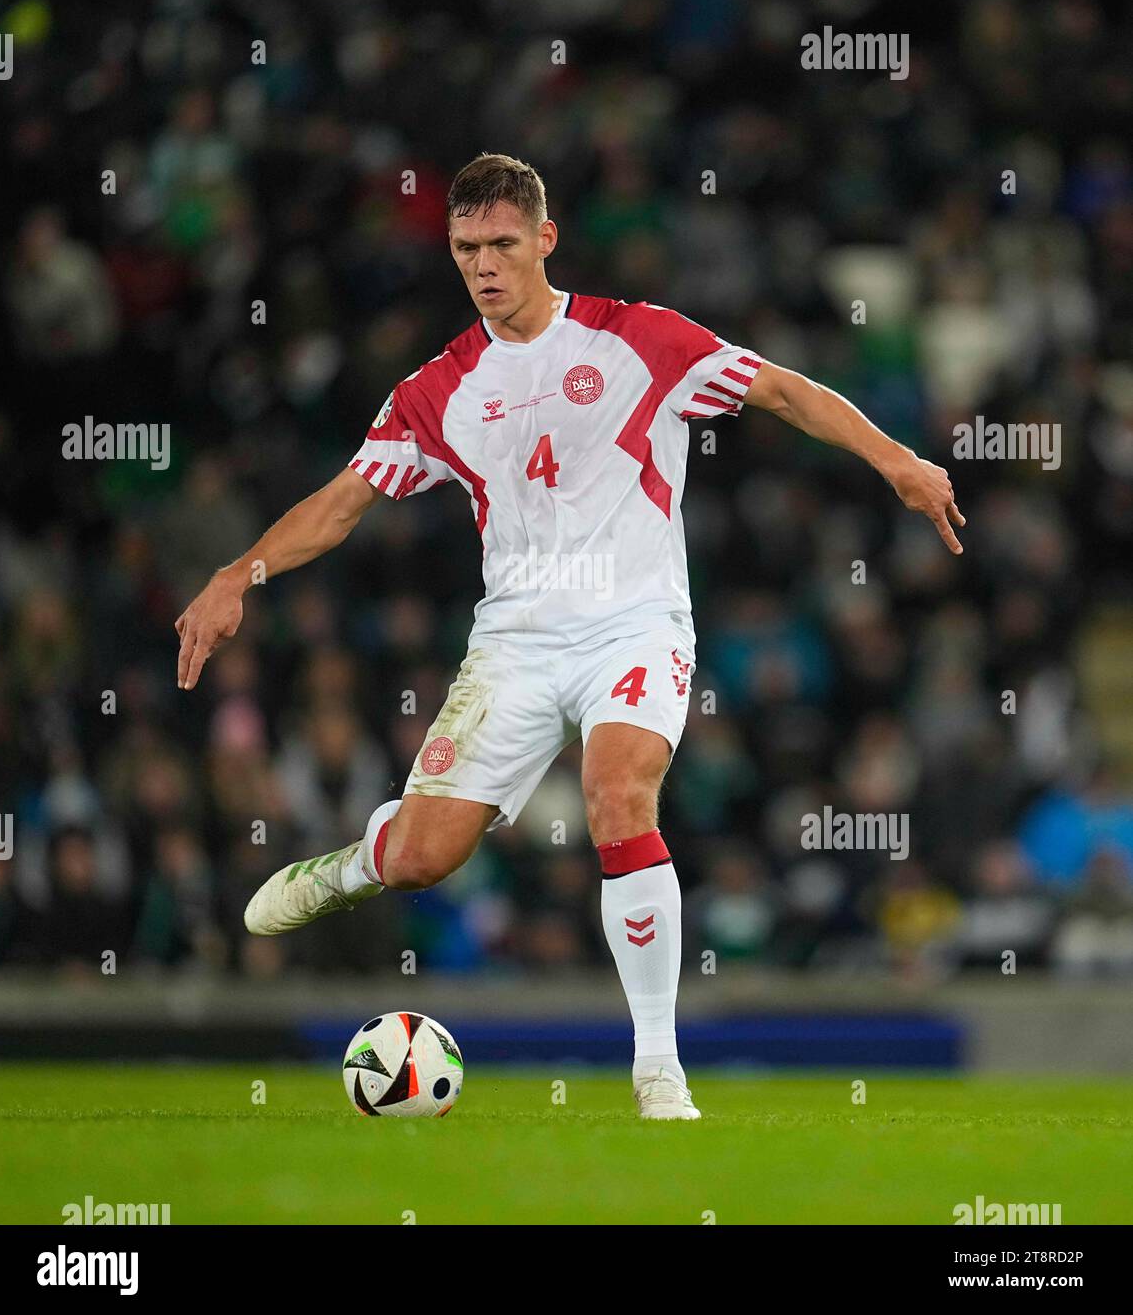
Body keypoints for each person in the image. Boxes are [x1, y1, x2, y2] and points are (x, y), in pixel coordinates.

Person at [175, 153, 965, 1118]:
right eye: (466, 249)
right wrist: (238, 571)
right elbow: (342, 506)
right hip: (513, 647)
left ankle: (659, 1069)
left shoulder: (641, 341)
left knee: (618, 793)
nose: (484, 266)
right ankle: (355, 865)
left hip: (635, 627)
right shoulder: (437, 391)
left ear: (545, 239)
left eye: (503, 244)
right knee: (427, 858)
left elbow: (785, 392)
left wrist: (897, 461)